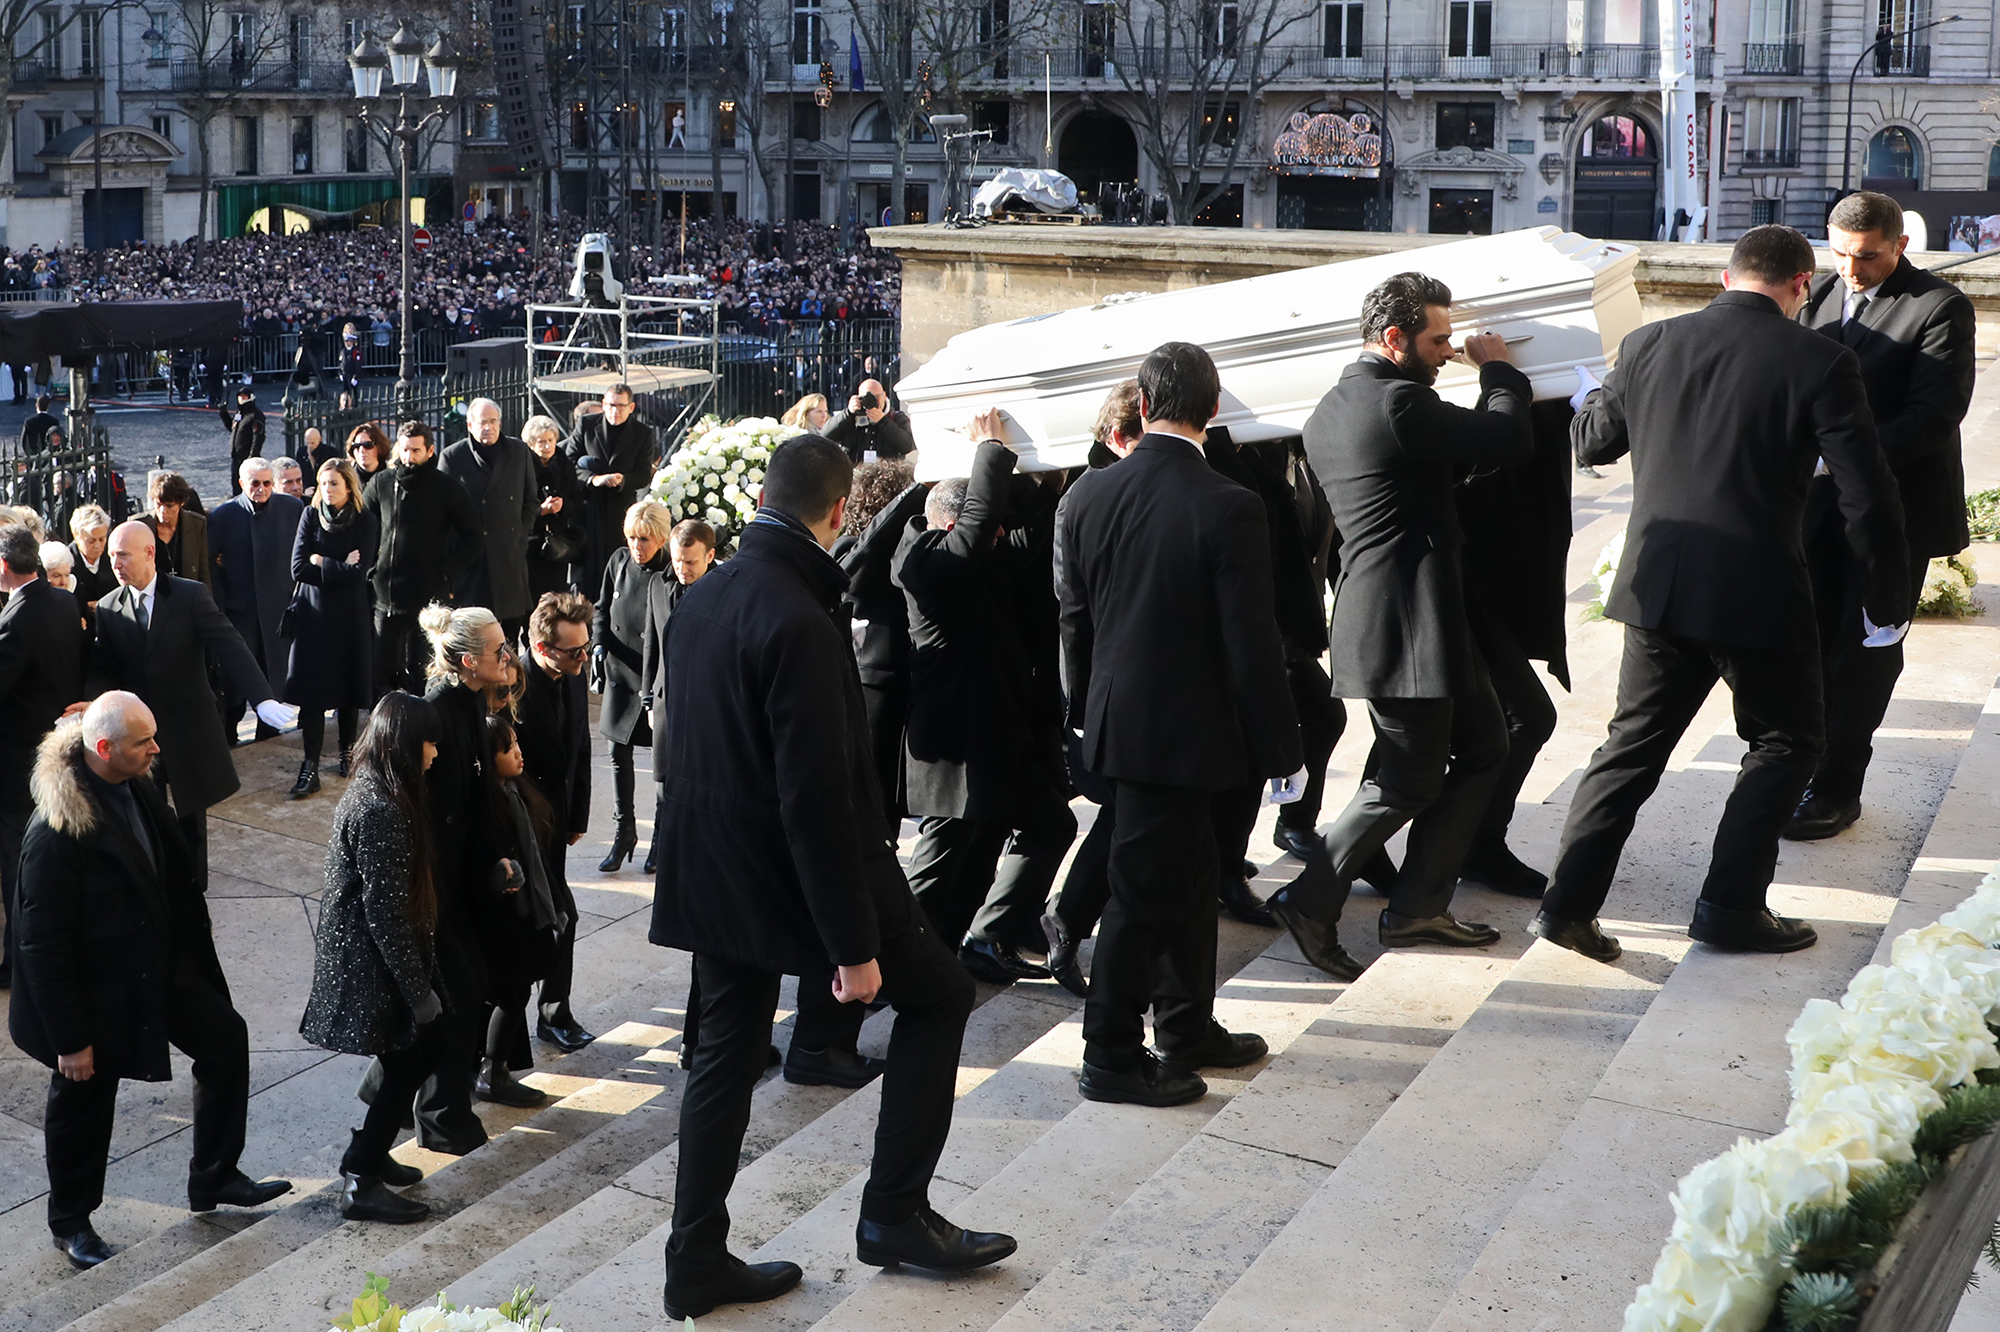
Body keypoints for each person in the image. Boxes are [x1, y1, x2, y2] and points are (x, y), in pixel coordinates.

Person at [650, 434, 1014, 1320]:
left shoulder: (707, 597)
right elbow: (818, 799)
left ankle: (694, 1256)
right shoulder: (797, 619)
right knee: (938, 998)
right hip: (796, 865)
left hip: (714, 866)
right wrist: (852, 946)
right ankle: (893, 1214)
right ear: (837, 510)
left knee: (726, 1058)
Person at [1532, 225, 1911, 962]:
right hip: (1757, 589)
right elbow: (1868, 496)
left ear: (1726, 280)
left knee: (1629, 749)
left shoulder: (1649, 344)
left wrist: (1590, 386)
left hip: (1658, 585)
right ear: (1804, 286)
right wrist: (1886, 599)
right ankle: (1729, 907)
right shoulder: (1823, 360)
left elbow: (1591, 443)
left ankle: (1566, 908)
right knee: (1787, 740)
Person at [1055, 342, 1299, 1107]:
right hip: (1187, 733)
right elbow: (1251, 642)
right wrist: (1283, 747)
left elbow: (1074, 624)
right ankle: (1111, 1057)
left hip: (1121, 723)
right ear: (1214, 409)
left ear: (1147, 403)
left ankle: (1187, 1025)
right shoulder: (1228, 502)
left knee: (1190, 881)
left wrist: (1083, 720)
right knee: (1142, 895)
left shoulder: (1089, 495)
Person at [1271, 272, 1531, 978]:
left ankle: (1418, 905)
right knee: (1404, 783)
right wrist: (1500, 368)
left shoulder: (1333, 407)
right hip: (1405, 626)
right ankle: (1309, 899)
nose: (1450, 351)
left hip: (1410, 619)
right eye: (1439, 339)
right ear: (1394, 340)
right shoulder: (1398, 405)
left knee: (1485, 745)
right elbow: (1508, 436)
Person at [12, 693, 292, 1268]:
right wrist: (70, 1039)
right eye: (144, 742)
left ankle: (214, 1176)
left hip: (156, 966)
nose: (156, 750)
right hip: (96, 995)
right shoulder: (55, 834)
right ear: (105, 748)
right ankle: (71, 1223)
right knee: (84, 1102)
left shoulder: (134, 780)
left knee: (224, 1038)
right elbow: (40, 946)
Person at [1785, 191, 1978, 841]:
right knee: (1805, 642)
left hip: (1896, 516)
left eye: (1866, 256)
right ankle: (1798, 767)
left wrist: (1834, 459)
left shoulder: (1939, 307)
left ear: (1899, 246)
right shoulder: (1813, 291)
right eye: (1839, 253)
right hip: (1812, 511)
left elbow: (1933, 416)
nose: (1851, 268)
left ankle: (1838, 789)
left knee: (1864, 654)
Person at [895, 424, 1076, 983]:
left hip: (995, 739)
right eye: (987, 529)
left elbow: (1016, 536)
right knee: (937, 863)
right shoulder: (922, 560)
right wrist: (993, 453)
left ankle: (983, 934)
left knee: (1043, 827)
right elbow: (974, 536)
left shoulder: (974, 556)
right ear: (953, 523)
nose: (996, 537)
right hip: (955, 748)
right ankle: (895, 961)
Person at [300, 691, 448, 1224]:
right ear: (408, 746)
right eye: (430, 743)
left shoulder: (382, 793)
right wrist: (417, 991)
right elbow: (384, 915)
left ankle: (369, 1153)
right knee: (411, 1055)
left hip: (378, 958)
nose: (436, 753)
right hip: (370, 964)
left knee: (417, 1054)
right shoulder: (380, 808)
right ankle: (361, 1178)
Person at [89, 521, 297, 885]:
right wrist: (94, 707)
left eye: (123, 555)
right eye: (111, 557)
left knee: (191, 823)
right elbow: (105, 668)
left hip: (187, 728)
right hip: (139, 739)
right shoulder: (108, 608)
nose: (115, 564)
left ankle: (192, 891)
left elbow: (229, 645)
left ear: (149, 553)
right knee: (144, 815)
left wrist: (261, 697)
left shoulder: (189, 596)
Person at [387, 604, 515, 1153]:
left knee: (471, 986)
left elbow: (477, 799)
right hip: (431, 886)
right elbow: (421, 812)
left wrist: (496, 859)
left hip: (462, 879)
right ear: (468, 662)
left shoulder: (472, 706)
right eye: (498, 651)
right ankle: (439, 1117)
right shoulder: (435, 713)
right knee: (458, 993)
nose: (508, 657)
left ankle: (392, 1098)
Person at [1042, 380, 1142, 998]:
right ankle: (1070, 917)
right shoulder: (1086, 498)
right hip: (1106, 689)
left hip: (1115, 686)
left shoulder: (1102, 490)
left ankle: (1072, 916)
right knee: (1126, 810)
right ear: (1117, 437)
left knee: (1128, 811)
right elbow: (1071, 611)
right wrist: (1078, 710)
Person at [0, 523, 86, 989]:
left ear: (3, 565)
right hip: (55, 754)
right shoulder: (62, 600)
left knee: (18, 867)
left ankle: (18, 964)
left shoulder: (16, 619)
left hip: (18, 766)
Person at [517, 590, 597, 1052]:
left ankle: (553, 1013)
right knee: (558, 917)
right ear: (544, 649)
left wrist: (577, 814)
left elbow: (579, 750)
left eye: (586, 646)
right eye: (574, 651)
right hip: (525, 828)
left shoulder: (572, 675)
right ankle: (550, 1015)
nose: (585, 657)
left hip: (556, 825)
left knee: (560, 917)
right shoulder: (514, 687)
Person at [833, 457, 927, 832]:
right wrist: (918, 487)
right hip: (875, 691)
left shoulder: (912, 549)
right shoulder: (853, 548)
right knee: (871, 809)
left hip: (910, 688)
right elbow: (864, 556)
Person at [281, 458, 379, 797]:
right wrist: (338, 565)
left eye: (333, 484)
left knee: (349, 686)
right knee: (312, 691)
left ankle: (347, 751)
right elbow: (297, 568)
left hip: (350, 614)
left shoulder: (366, 521)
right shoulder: (310, 515)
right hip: (313, 613)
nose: (327, 490)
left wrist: (322, 561)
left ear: (349, 486)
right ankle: (309, 764)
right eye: (323, 484)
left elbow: (360, 570)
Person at [475, 712, 559, 1109]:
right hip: (503, 919)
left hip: (523, 913)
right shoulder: (488, 803)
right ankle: (493, 1072)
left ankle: (494, 1069)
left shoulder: (513, 792)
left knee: (514, 993)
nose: (519, 755)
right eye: (509, 749)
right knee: (511, 994)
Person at [363, 422, 482, 696]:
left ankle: (423, 725)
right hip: (386, 594)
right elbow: (364, 524)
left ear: (430, 451)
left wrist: (446, 570)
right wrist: (371, 568)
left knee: (424, 668)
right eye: (404, 450)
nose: (409, 457)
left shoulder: (447, 488)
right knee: (384, 668)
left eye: (415, 450)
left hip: (428, 594)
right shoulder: (382, 482)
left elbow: (472, 536)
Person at [594, 498, 672, 873]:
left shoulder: (671, 572)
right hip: (620, 672)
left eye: (644, 539)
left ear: (660, 538)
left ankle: (660, 837)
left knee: (661, 763)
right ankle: (624, 831)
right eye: (631, 538)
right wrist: (597, 644)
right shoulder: (618, 561)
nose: (636, 546)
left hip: (654, 677)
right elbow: (601, 607)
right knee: (616, 754)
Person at [208, 458, 307, 743]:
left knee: (276, 678)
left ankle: (269, 737)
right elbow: (209, 564)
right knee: (237, 684)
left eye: (267, 483)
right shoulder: (223, 515)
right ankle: (229, 736)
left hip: (280, 609)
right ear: (241, 484)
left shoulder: (292, 508)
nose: (262, 489)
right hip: (241, 612)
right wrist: (222, 603)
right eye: (255, 484)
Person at [440, 398, 539, 647]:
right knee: (477, 638)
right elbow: (442, 512)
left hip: (509, 556)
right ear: (470, 425)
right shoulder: (453, 457)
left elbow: (530, 499)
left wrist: (521, 534)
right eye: (483, 422)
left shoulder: (518, 451)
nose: (489, 427)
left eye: (493, 421)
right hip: (473, 563)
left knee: (509, 636)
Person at [566, 383, 659, 592]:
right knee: (587, 568)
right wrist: (593, 479)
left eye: (620, 406)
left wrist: (622, 480)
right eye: (610, 405)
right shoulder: (587, 424)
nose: (614, 411)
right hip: (589, 506)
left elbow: (643, 474)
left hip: (620, 508)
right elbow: (568, 463)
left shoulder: (642, 433)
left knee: (616, 563)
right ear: (603, 404)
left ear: (631, 407)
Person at [522, 413, 584, 603]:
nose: (547, 446)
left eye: (550, 440)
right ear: (531, 444)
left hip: (558, 540)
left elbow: (577, 499)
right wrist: (541, 510)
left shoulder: (564, 464)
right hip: (531, 541)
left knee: (556, 595)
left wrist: (562, 506)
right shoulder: (523, 466)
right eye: (541, 442)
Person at [141, 471, 210, 590]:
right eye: (158, 504)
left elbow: (202, 570)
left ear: (181, 503)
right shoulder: (141, 525)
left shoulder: (196, 524)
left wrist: (206, 603)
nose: (163, 510)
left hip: (185, 594)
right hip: (152, 594)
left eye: (169, 505)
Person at [823, 379, 915, 463]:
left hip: (886, 476)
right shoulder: (851, 418)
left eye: (876, 397)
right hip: (855, 475)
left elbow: (907, 446)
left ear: (884, 395)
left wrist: (883, 421)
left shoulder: (896, 417)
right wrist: (848, 413)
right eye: (866, 397)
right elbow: (825, 435)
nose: (871, 401)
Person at [67, 504, 118, 619]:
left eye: (102, 539)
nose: (98, 546)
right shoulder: (67, 562)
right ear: (76, 536)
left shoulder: (113, 556)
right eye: (91, 541)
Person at [220, 388, 266, 493]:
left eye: (245, 396)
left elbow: (258, 437)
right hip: (236, 456)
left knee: (247, 485)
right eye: (240, 396)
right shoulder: (240, 413)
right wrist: (224, 414)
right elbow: (233, 428)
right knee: (236, 484)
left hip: (246, 456)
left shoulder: (255, 415)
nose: (242, 399)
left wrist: (252, 456)